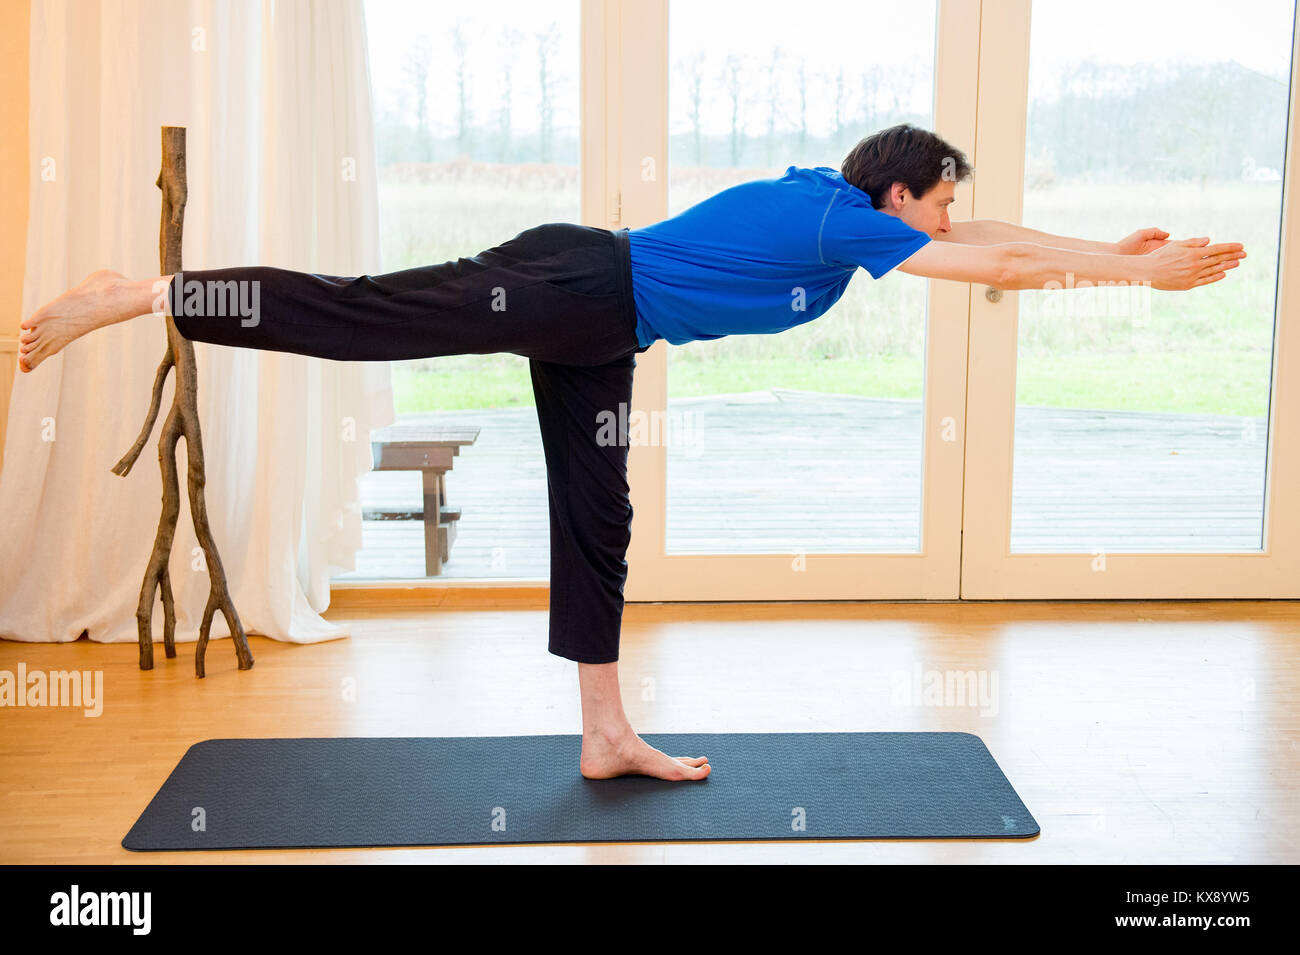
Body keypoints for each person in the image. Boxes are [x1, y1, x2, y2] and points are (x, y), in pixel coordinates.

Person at [16, 124, 1246, 780]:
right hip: (574, 284)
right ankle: (146, 291)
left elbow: (991, 234)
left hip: (604, 324)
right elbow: (995, 263)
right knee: (367, 314)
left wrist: (1110, 245)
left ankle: (604, 734)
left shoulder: (846, 214)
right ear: (897, 194)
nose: (940, 224)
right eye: (933, 203)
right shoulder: (841, 218)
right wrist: (1132, 272)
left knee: (598, 517)